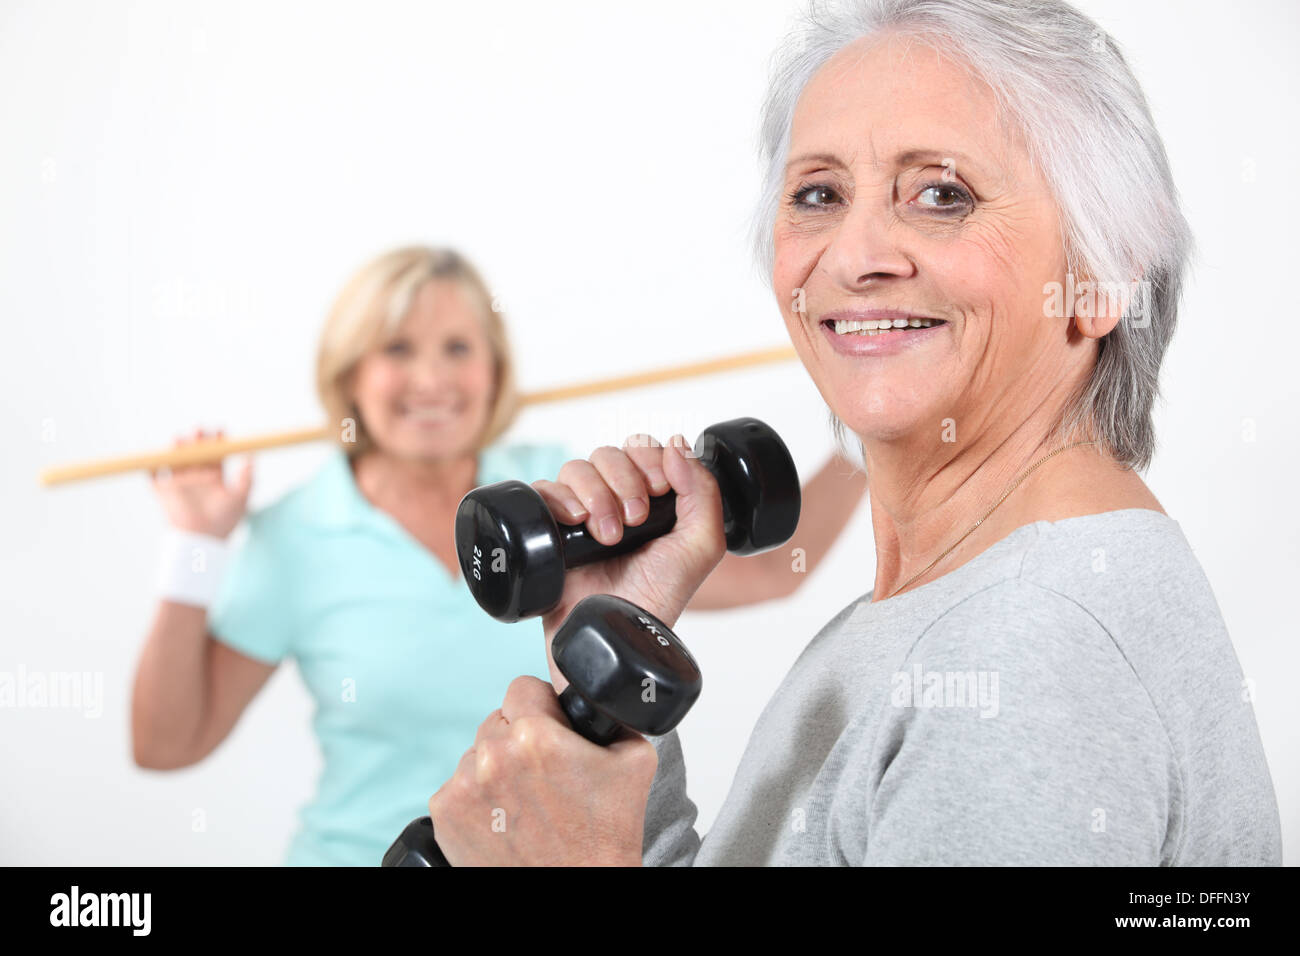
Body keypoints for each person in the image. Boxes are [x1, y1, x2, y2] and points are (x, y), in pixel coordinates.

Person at [420, 0, 1283, 866]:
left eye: (942, 194)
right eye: (819, 194)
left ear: (1100, 280)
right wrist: (606, 667)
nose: (854, 254)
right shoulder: (943, 610)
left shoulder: (1025, 652)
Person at [131, 244, 866, 865]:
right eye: (397, 349)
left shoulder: (566, 497)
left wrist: (875, 431)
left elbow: (772, 567)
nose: (433, 379)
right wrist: (195, 548)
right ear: (351, 373)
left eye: (458, 348)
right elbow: (166, 742)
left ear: (493, 369)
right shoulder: (296, 535)